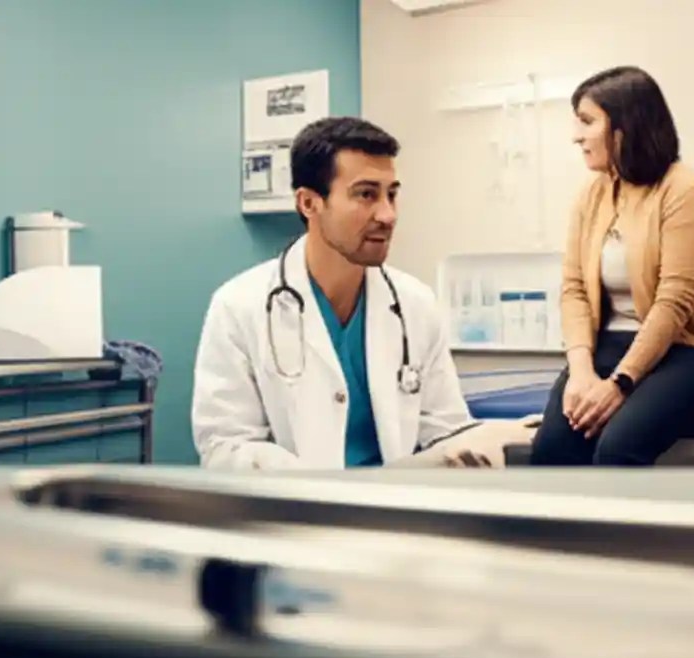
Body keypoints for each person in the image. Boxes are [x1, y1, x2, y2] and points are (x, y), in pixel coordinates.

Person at [192, 116, 487, 470]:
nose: (387, 214)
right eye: (366, 194)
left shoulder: (415, 305)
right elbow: (225, 447)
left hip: (399, 513)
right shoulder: (239, 306)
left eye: (391, 194)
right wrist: (314, 487)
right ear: (308, 203)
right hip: (295, 515)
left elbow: (446, 432)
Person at [529, 66, 694, 467]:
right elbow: (574, 288)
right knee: (552, 452)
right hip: (607, 347)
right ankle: (561, 533)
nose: (576, 136)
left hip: (692, 352)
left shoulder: (685, 191)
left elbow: (674, 302)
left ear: (624, 126)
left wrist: (620, 384)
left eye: (587, 121)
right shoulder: (590, 195)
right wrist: (580, 373)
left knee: (618, 448)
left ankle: (623, 533)